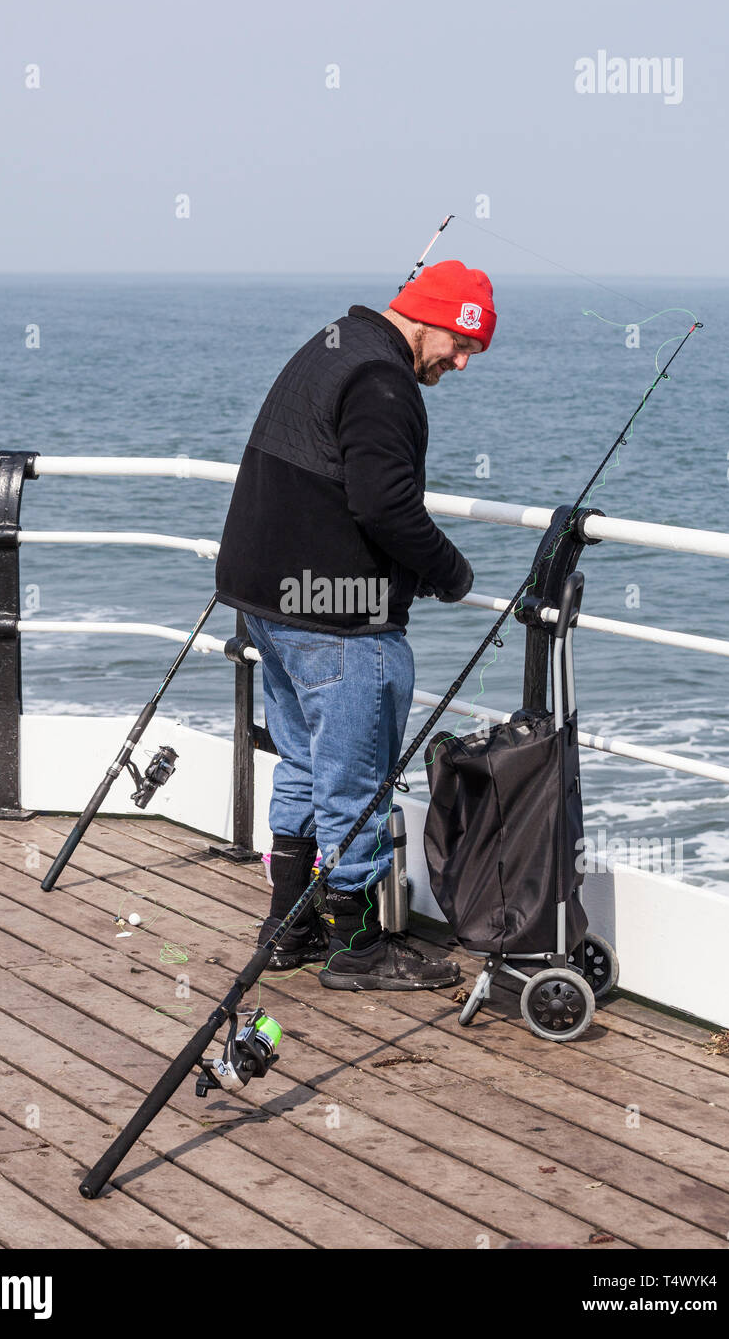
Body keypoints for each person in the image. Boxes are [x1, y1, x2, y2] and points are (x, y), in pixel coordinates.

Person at [215, 260, 497, 991]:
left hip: (267, 598)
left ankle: (288, 926)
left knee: (305, 765)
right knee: (359, 780)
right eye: (461, 346)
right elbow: (385, 505)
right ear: (430, 317)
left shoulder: (334, 342)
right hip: (334, 614)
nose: (460, 364)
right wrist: (451, 573)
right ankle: (356, 947)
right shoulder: (382, 381)